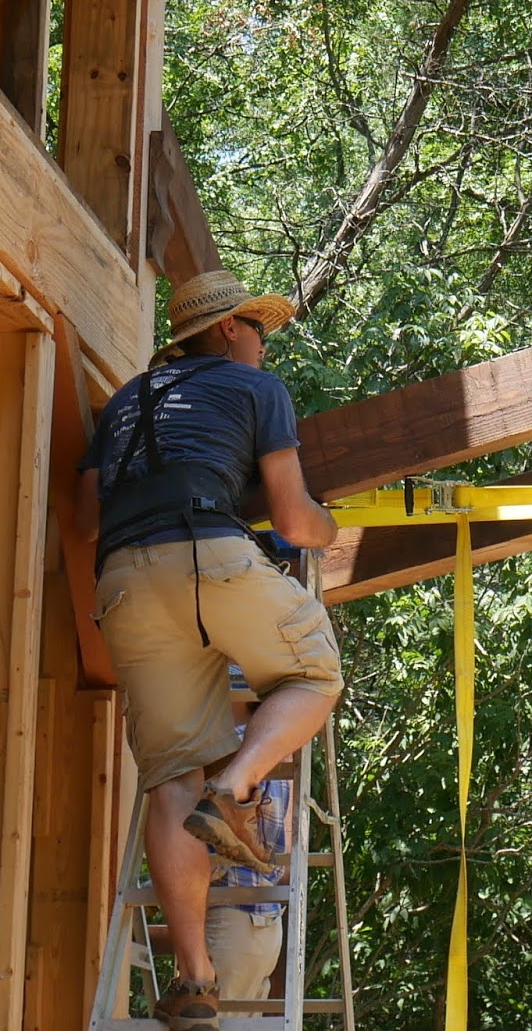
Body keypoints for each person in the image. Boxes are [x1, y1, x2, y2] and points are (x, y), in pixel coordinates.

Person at [76, 270, 342, 1030]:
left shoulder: (128, 400)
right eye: (257, 329)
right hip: (210, 557)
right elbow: (291, 515)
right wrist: (328, 526)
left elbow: (87, 520)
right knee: (314, 673)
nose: (262, 342)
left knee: (170, 780)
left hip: (123, 583)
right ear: (228, 331)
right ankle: (240, 788)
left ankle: (194, 983)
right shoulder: (257, 389)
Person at [207, 668, 291, 1014]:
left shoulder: (229, 754)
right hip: (265, 922)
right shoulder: (274, 750)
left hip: (232, 917)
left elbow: (211, 845)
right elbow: (282, 849)